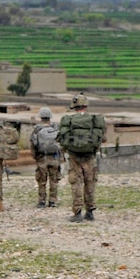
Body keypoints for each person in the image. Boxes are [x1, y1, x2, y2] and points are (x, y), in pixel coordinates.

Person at [58, 94, 104, 222]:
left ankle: (77, 212)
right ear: (86, 105)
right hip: (89, 155)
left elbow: (62, 139)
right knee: (90, 182)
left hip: (74, 156)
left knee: (76, 182)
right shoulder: (94, 121)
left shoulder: (69, 120)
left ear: (74, 106)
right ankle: (90, 211)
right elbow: (102, 138)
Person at [30, 107, 61, 208]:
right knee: (54, 180)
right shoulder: (55, 128)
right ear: (50, 117)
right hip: (54, 158)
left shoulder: (37, 129)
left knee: (42, 180)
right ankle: (52, 201)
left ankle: (41, 201)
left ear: (40, 117)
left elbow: (33, 143)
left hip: (42, 158)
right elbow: (60, 143)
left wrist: (35, 156)